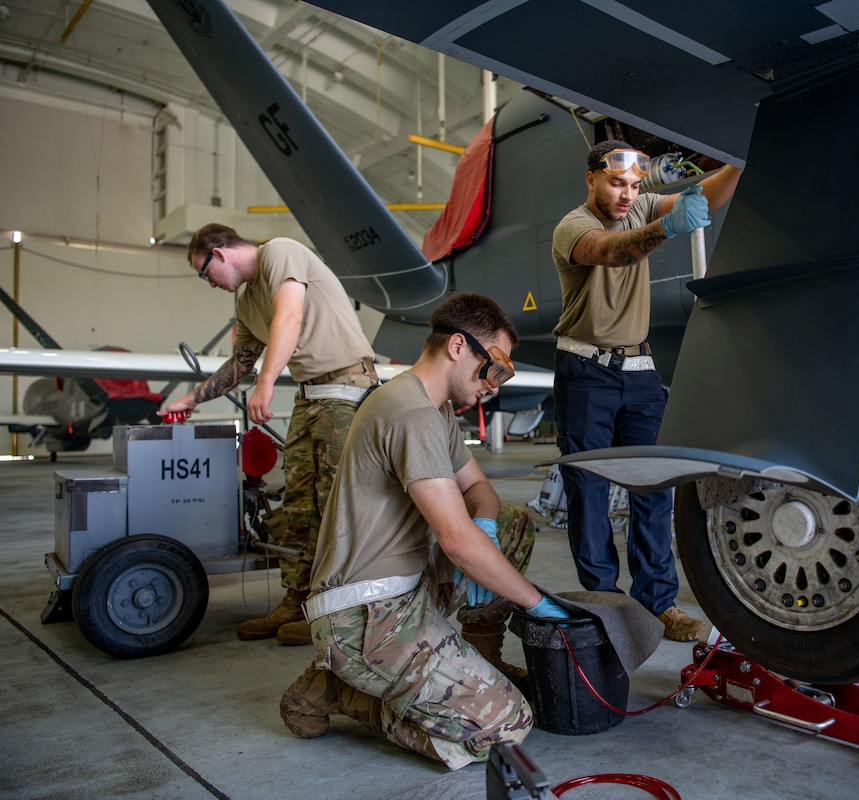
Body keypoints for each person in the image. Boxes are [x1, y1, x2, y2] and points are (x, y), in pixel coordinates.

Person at [279, 292, 570, 770]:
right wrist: (535, 602)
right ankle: (341, 692)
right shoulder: (409, 412)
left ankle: (479, 661)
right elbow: (456, 541)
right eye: (494, 368)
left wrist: (485, 527)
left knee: (510, 525)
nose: (494, 385)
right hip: (364, 616)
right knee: (504, 728)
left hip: (407, 588)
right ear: (458, 346)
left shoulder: (434, 410)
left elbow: (479, 489)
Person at [552, 141, 742, 641]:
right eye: (617, 183)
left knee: (654, 490)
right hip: (585, 371)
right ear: (591, 178)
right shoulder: (573, 226)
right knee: (589, 493)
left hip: (639, 372)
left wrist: (741, 161)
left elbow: (707, 193)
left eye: (635, 186)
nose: (626, 194)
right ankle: (606, 605)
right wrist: (669, 227)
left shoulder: (638, 205)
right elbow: (612, 252)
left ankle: (659, 604)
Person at [160, 223, 378, 646]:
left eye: (205, 273)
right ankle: (298, 599)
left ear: (220, 253)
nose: (210, 283)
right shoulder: (247, 304)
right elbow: (240, 364)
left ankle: (337, 610)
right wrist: (191, 399)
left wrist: (265, 384)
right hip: (311, 396)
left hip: (346, 389)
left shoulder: (279, 252)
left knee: (336, 504)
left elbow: (289, 315)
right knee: (298, 505)